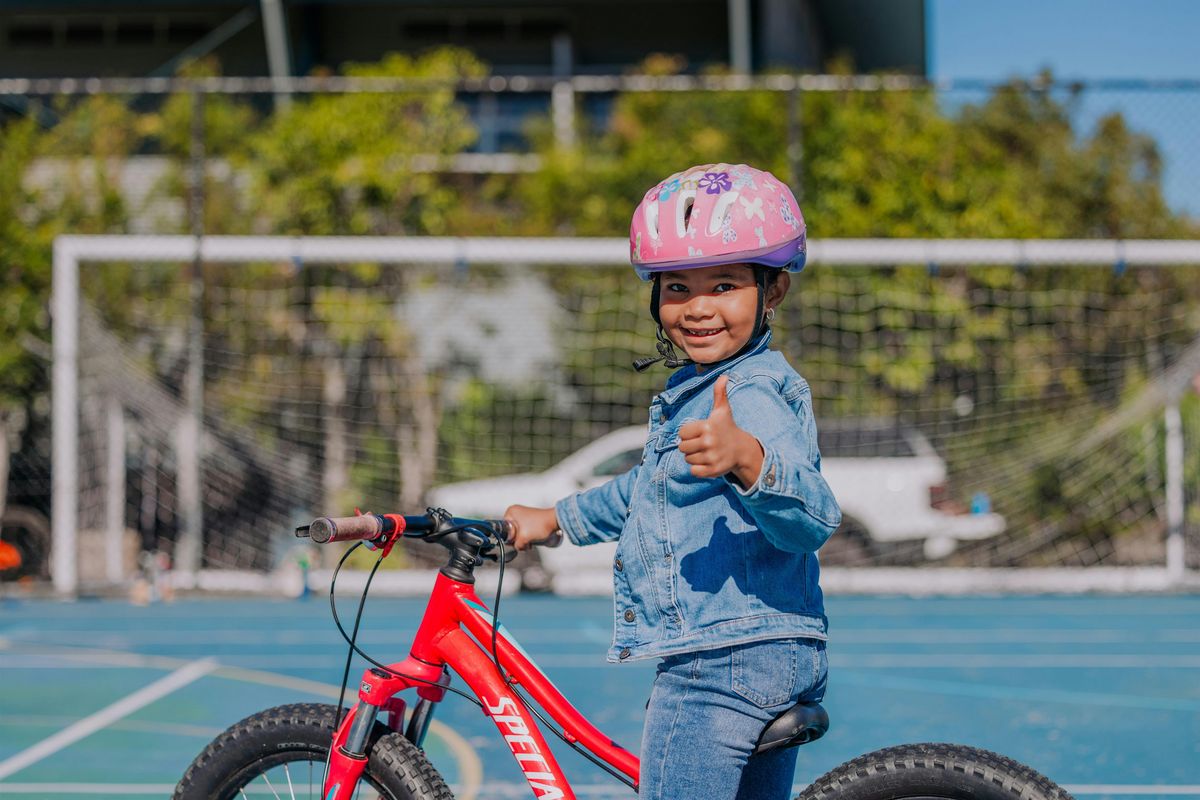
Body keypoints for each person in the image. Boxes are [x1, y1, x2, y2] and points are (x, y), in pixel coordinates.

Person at [505, 163, 841, 800]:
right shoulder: (694, 396)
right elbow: (649, 491)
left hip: (722, 665)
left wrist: (749, 459)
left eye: (723, 283)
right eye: (677, 288)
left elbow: (815, 518)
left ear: (773, 292)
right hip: (760, 648)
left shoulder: (747, 391)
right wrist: (555, 519)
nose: (698, 307)